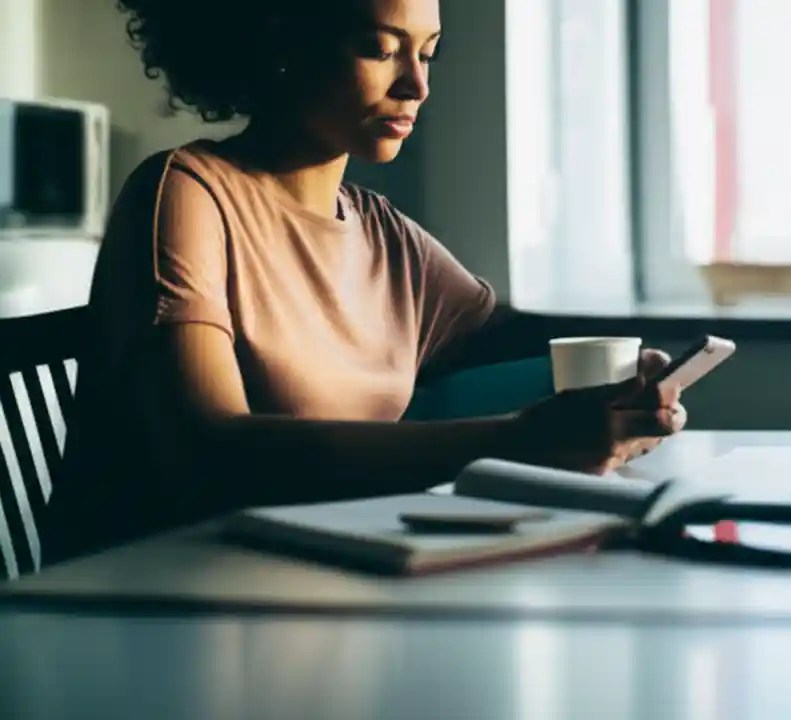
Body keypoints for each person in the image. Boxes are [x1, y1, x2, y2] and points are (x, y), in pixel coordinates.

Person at [48, 0, 685, 563]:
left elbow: (521, 342)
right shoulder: (186, 195)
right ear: (280, 41)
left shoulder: (381, 232)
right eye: (379, 49)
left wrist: (630, 380)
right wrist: (520, 442)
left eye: (428, 53)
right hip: (152, 602)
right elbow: (210, 457)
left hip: (315, 578)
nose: (416, 86)